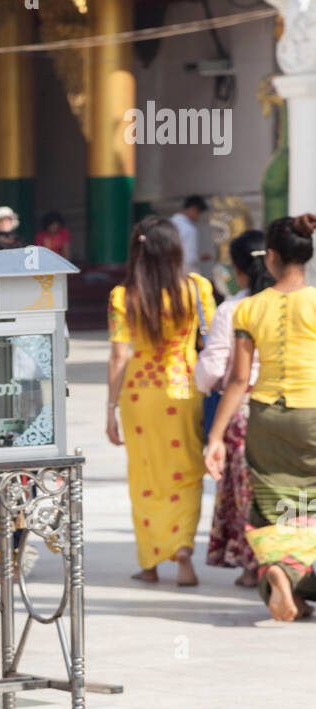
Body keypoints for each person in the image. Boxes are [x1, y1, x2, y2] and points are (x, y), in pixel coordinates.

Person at [204, 213, 316, 622]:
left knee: (271, 509)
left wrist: (215, 438)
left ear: (270, 258)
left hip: (266, 417)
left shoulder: (249, 308)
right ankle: (292, 577)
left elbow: (237, 380)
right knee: (311, 506)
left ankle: (282, 577)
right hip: (313, 416)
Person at [107, 215, 216, 586]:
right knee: (186, 473)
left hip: (139, 395)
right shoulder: (197, 288)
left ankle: (151, 561)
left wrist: (110, 409)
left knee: (145, 477)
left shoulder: (124, 296)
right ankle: (183, 546)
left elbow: (119, 357)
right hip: (184, 390)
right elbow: (212, 339)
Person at [195, 230, 274, 587]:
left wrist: (213, 433)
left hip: (243, 409)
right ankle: (288, 562)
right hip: (292, 404)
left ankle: (250, 565)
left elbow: (220, 372)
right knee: (284, 490)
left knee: (246, 491)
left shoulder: (233, 309)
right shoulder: (295, 303)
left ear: (239, 270)